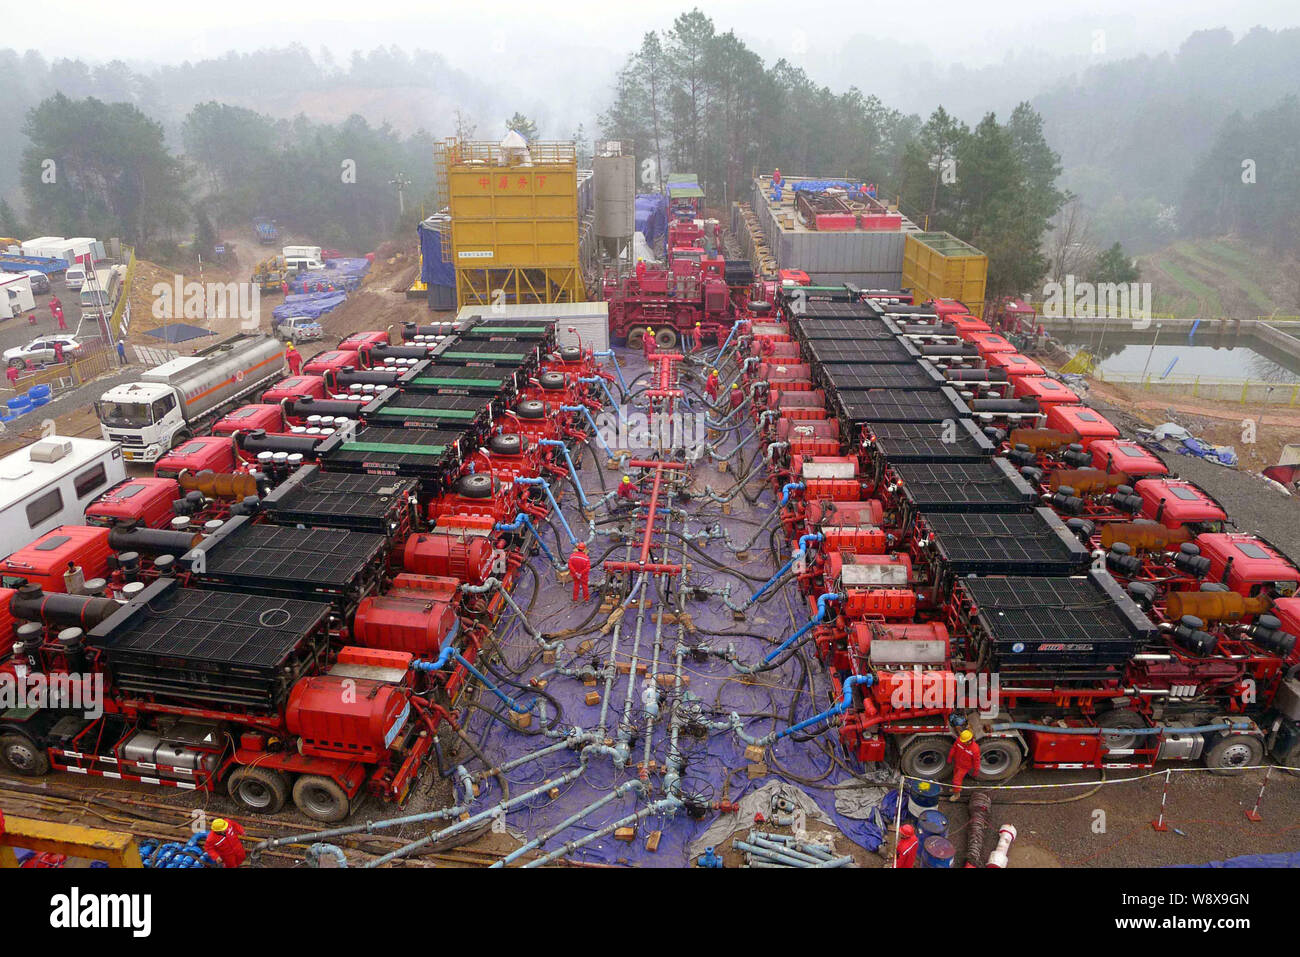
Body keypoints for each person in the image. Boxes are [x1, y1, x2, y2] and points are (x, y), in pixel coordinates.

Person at [947, 729, 981, 801]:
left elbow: (976, 761)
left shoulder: (975, 749)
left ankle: (957, 795)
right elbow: (954, 748)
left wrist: (976, 770)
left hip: (964, 767)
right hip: (957, 763)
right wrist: (950, 757)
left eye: (965, 742)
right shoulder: (960, 740)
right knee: (955, 777)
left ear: (970, 740)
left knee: (956, 780)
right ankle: (955, 788)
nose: (964, 743)